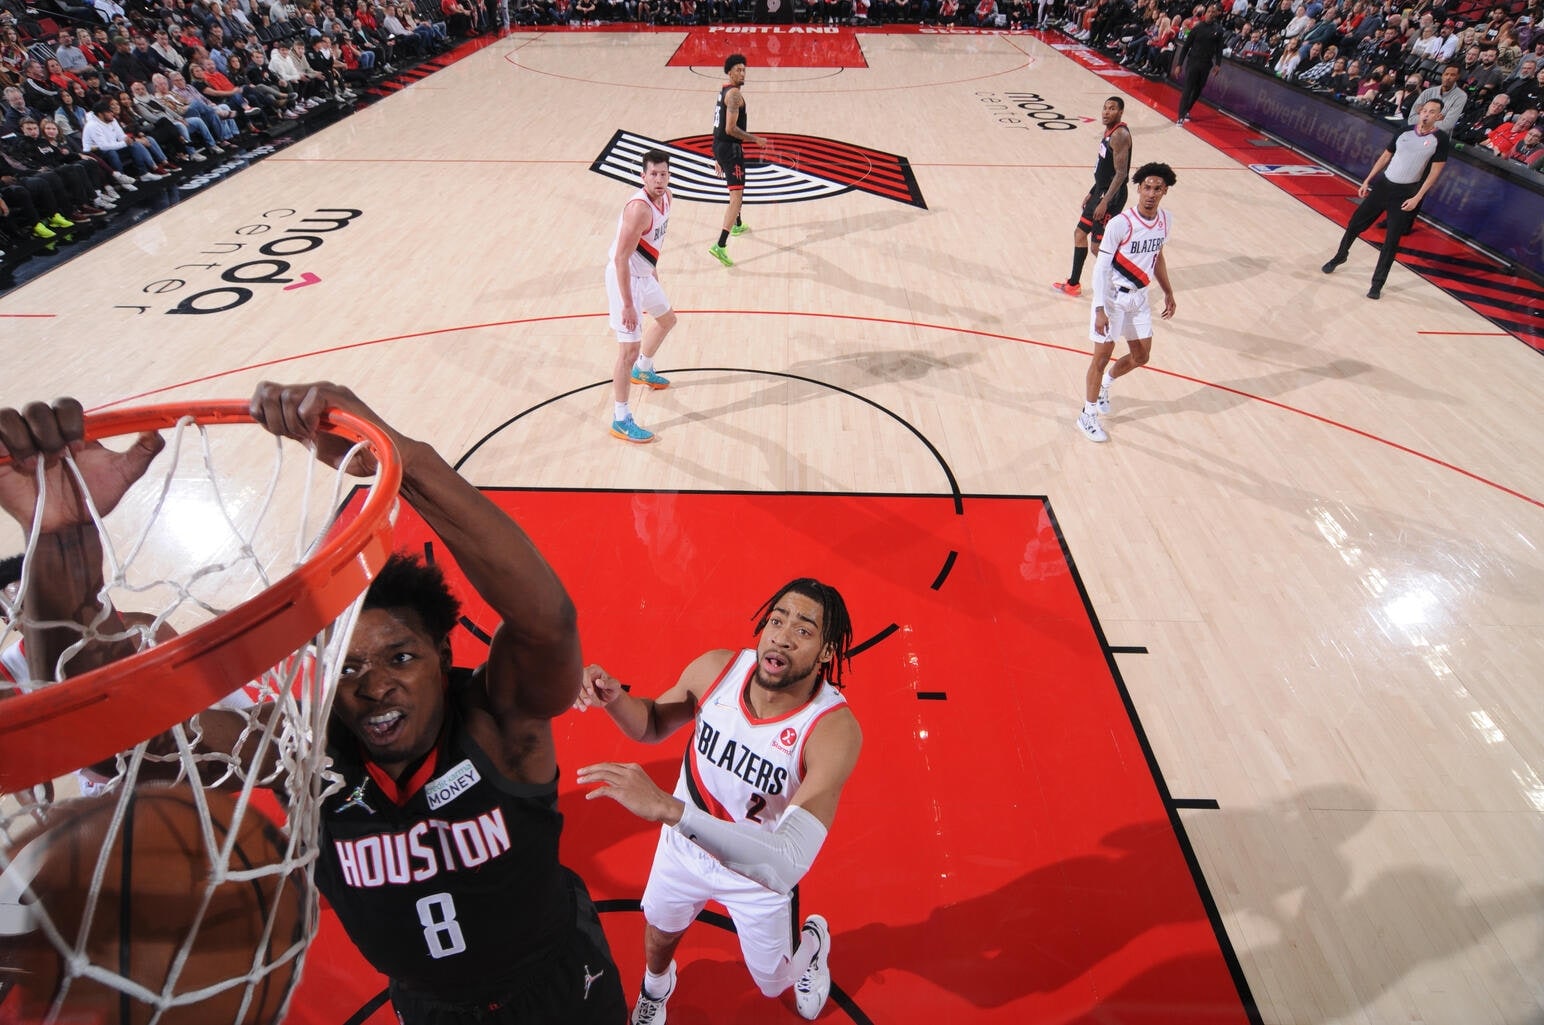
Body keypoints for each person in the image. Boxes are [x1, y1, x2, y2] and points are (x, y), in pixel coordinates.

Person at [0, 384, 630, 1025]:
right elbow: (118, 741)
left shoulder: (499, 724)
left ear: (444, 655)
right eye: (349, 666)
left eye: (400, 657)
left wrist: (401, 458)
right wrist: (62, 547)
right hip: (432, 1006)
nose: (375, 684)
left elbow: (547, 622)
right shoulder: (304, 752)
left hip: (558, 984)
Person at [574, 577, 862, 1024]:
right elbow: (650, 724)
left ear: (826, 652)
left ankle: (812, 945)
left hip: (757, 872)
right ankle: (656, 988)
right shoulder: (716, 671)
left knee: (773, 982)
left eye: (803, 630)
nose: (782, 636)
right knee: (659, 932)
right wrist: (615, 700)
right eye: (776, 620)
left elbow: (786, 860)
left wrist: (669, 809)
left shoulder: (832, 731)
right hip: (684, 849)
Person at [1075, 161, 1178, 444]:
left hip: (1140, 298)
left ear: (1165, 191)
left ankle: (1106, 385)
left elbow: (1157, 256)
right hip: (1113, 299)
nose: (1151, 193)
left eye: (1157, 188)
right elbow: (1101, 268)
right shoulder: (1122, 224)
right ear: (1139, 189)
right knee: (1100, 358)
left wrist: (1168, 291)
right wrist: (1099, 307)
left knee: (1142, 356)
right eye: (1147, 187)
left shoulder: (1166, 221)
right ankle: (1087, 414)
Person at [1321, 97, 1448, 300]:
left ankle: (1377, 283)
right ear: (1420, 111)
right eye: (1425, 110)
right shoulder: (1404, 132)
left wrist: (1417, 197)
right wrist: (1367, 180)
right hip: (1384, 186)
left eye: (1432, 112)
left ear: (1439, 116)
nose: (1427, 114)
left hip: (1406, 193)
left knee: (1391, 241)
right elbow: (1385, 157)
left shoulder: (1440, 139)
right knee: (1355, 223)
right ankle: (1340, 256)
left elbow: (1434, 173)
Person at [605, 149, 676, 445]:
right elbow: (621, 258)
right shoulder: (639, 209)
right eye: (654, 174)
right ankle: (621, 419)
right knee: (627, 352)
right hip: (625, 280)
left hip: (644, 275)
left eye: (664, 173)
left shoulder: (668, 197)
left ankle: (643, 371)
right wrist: (629, 305)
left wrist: (652, 270)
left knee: (667, 320)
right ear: (643, 176)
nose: (659, 179)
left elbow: (650, 243)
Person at [1051, 96, 1132, 298]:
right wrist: (1092, 191)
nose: (1106, 112)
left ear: (1120, 112)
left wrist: (1104, 201)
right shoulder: (1108, 132)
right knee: (1079, 234)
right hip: (1101, 191)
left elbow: (1121, 174)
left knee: (1098, 247)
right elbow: (1105, 170)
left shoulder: (1120, 135)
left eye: (1112, 109)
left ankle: (1125, 284)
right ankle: (1073, 284)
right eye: (1104, 108)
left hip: (1111, 197)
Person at [707, 54, 764, 268]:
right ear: (729, 72)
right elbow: (731, 128)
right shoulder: (733, 96)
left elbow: (718, 124)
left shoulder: (723, 90)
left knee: (736, 190)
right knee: (736, 196)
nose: (742, 73)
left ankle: (738, 223)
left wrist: (716, 154)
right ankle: (720, 245)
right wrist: (755, 139)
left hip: (720, 146)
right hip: (731, 149)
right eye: (738, 70)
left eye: (744, 69)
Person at [1173, 3, 1226, 124]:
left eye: (1213, 12)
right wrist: (1179, 64)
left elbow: (1219, 49)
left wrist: (1218, 64)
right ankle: (1180, 116)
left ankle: (1187, 110)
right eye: (1209, 11)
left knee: (1198, 90)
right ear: (1205, 13)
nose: (1211, 13)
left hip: (1206, 64)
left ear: (1216, 14)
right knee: (1188, 88)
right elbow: (1186, 47)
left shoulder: (1218, 30)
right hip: (1193, 62)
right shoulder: (1197, 28)